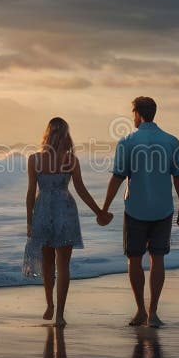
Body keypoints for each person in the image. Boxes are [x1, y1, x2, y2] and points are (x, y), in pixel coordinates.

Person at [100, 97, 179, 327]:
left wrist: (105, 209)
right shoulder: (171, 141)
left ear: (137, 113)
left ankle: (140, 310)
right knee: (157, 259)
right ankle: (154, 313)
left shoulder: (127, 142)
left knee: (134, 259)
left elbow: (118, 177)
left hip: (136, 209)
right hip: (163, 208)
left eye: (133, 113)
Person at [23, 117, 113, 326]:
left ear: (47, 134)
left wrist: (29, 221)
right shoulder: (71, 160)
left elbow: (30, 193)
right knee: (63, 265)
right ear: (66, 135)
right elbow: (80, 190)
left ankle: (49, 304)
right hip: (65, 210)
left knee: (47, 263)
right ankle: (60, 315)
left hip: (43, 211)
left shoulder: (34, 159)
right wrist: (99, 212)